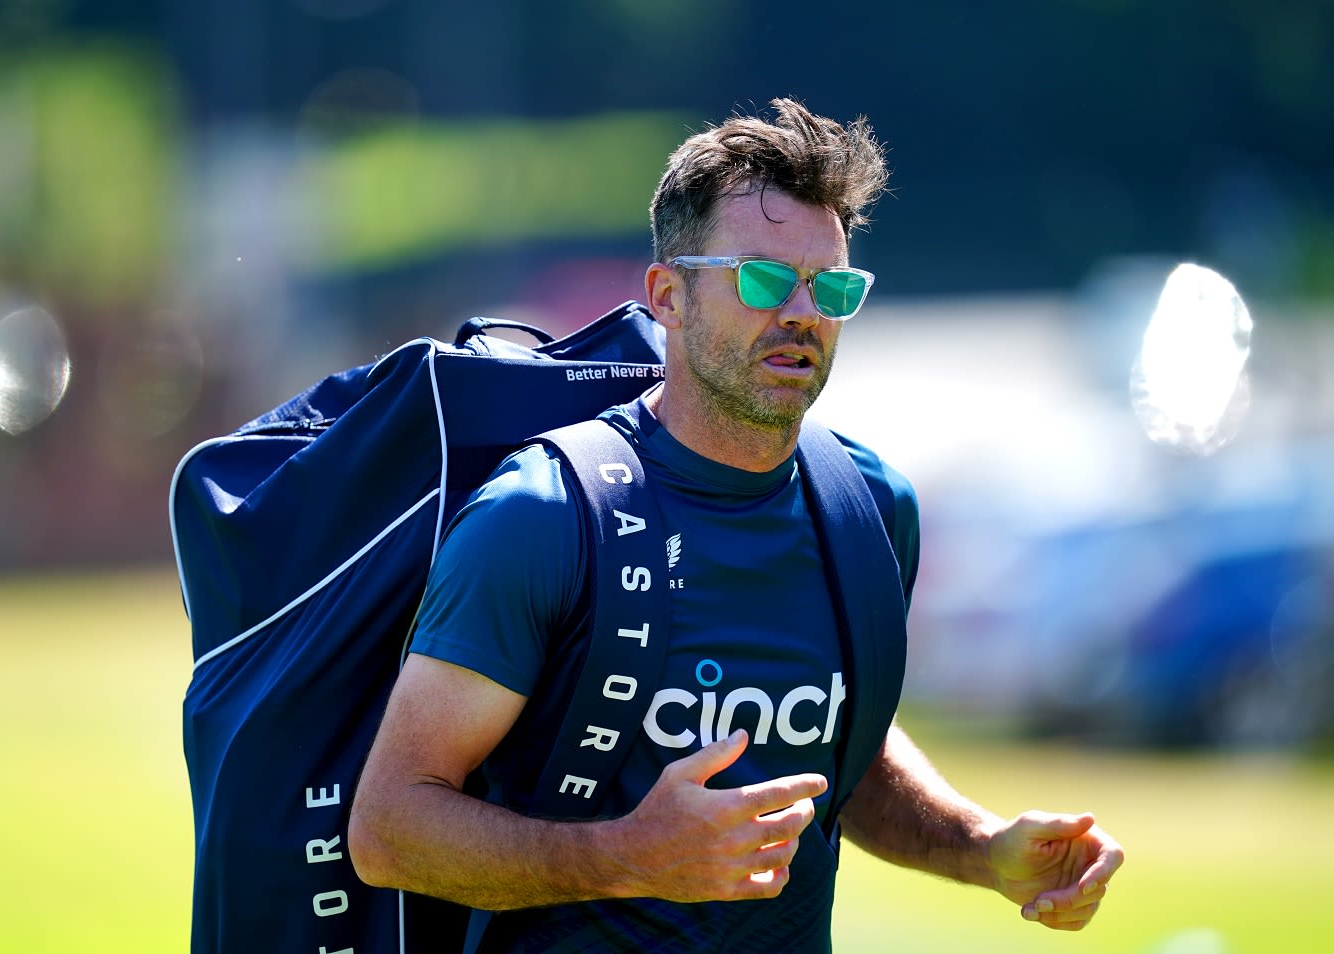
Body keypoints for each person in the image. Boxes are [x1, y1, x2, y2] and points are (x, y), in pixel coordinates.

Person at [348, 97, 1124, 951]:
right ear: (668, 297)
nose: (800, 311)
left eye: (831, 286)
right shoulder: (542, 515)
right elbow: (389, 829)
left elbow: (842, 761)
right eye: (760, 278)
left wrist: (982, 849)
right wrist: (626, 857)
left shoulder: (870, 508)